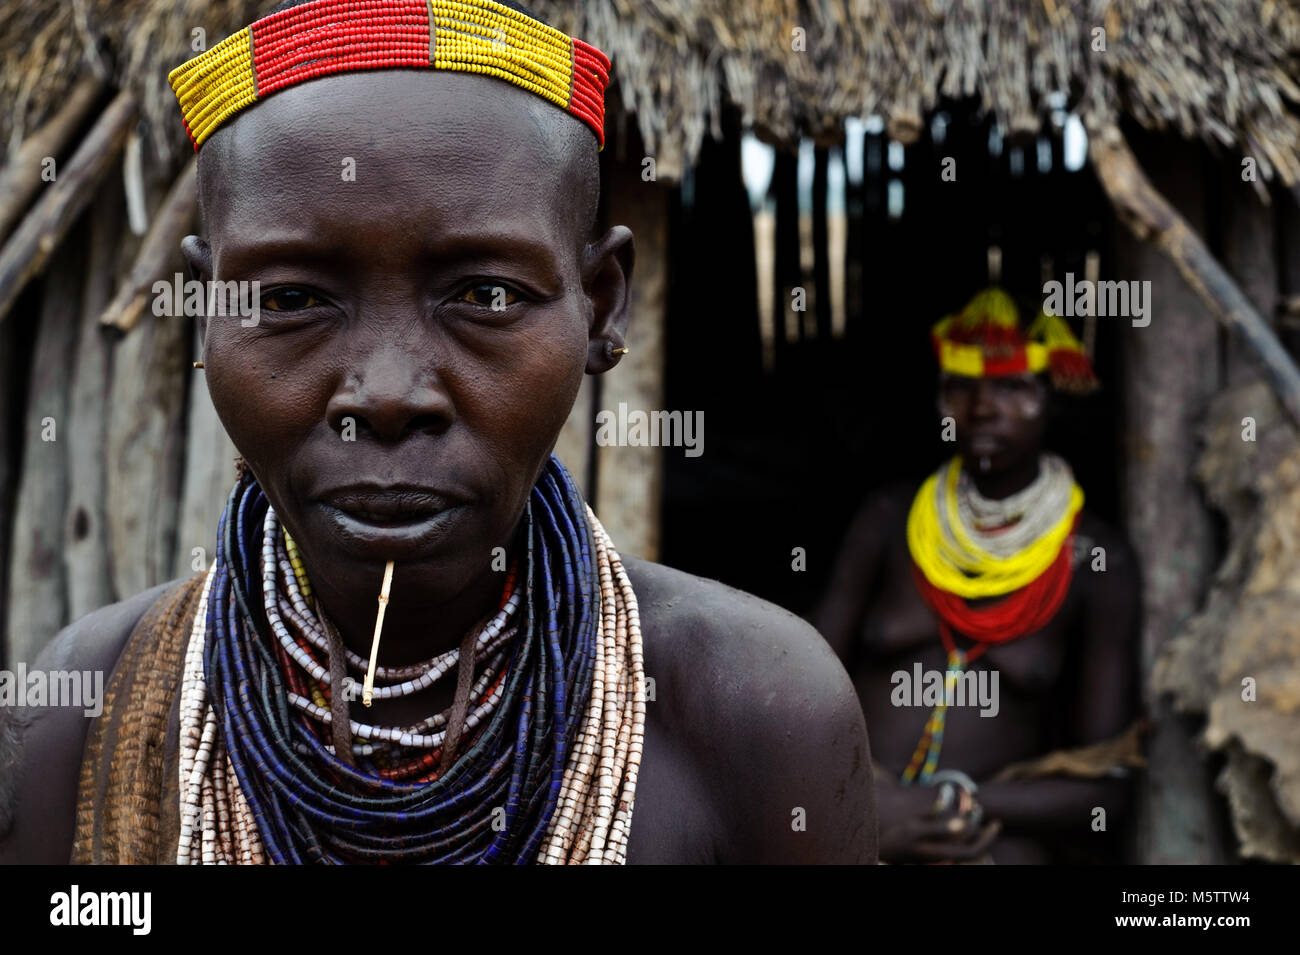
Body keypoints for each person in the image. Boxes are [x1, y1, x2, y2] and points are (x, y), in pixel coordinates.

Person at [0, 0, 873, 865]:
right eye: (293, 300)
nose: (385, 394)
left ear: (601, 305)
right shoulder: (79, 716)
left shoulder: (753, 713)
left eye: (485, 295)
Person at [814, 287, 1142, 864]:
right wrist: (866, 807)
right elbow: (802, 695)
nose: (983, 408)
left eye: (1013, 388)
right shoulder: (889, 522)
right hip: (858, 808)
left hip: (991, 832)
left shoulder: (1095, 559)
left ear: (1053, 398)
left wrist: (948, 804)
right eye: (961, 386)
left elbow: (1103, 784)